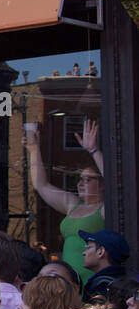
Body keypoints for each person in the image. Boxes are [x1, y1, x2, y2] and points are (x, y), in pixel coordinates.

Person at [24, 119, 103, 281]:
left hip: (92, 279)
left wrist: (94, 150)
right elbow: (41, 185)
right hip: (68, 281)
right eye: (80, 179)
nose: (81, 183)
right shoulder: (73, 204)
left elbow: (118, 181)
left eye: (88, 180)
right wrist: (34, 150)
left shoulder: (105, 209)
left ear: (102, 185)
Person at [79, 230, 131, 304]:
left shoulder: (103, 286)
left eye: (88, 247)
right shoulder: (122, 280)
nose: (83, 253)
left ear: (100, 252)